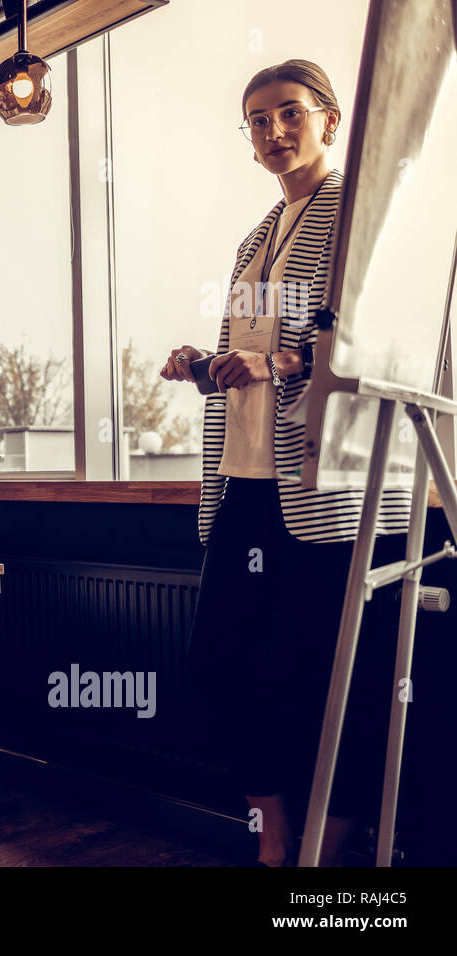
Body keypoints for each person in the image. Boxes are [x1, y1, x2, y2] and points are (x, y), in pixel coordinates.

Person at [161, 61, 411, 866]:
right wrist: (206, 363)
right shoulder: (254, 238)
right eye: (257, 122)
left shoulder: (358, 215)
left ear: (330, 120)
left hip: (325, 486)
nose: (273, 132)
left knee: (340, 675)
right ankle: (275, 834)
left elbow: (384, 341)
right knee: (217, 660)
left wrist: (285, 362)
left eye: (288, 114)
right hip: (243, 481)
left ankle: (334, 845)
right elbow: (251, 358)